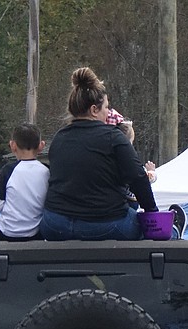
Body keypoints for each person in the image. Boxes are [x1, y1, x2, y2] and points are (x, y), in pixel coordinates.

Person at [40, 67, 157, 241]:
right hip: (105, 224)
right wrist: (152, 213)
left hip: (55, 224)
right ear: (94, 109)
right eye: (106, 108)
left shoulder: (59, 138)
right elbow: (138, 177)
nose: (108, 113)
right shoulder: (114, 137)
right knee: (160, 231)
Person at [0, 123, 48, 242]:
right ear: (41, 146)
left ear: (13, 145)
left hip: (7, 232)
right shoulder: (47, 171)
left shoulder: (8, 170)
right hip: (35, 233)